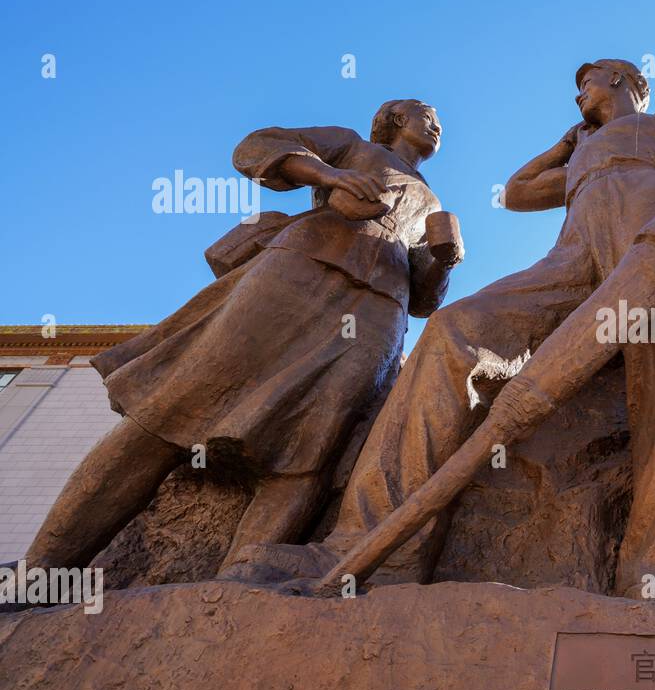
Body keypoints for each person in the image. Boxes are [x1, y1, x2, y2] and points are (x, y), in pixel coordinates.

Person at [314, 60, 655, 598]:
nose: (578, 96)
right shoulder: (581, 153)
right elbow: (518, 191)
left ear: (618, 78)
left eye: (585, 83)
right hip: (574, 244)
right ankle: (375, 540)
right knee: (457, 329)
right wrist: (567, 147)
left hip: (649, 216)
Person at [23, 100, 461, 571]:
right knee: (173, 405)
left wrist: (443, 259)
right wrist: (330, 177)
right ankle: (40, 572)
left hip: (380, 312)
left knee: (315, 443)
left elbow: (424, 301)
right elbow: (257, 146)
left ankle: (241, 581)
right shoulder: (352, 145)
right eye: (427, 116)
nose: (437, 127)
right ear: (396, 119)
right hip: (299, 270)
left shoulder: (433, 201)